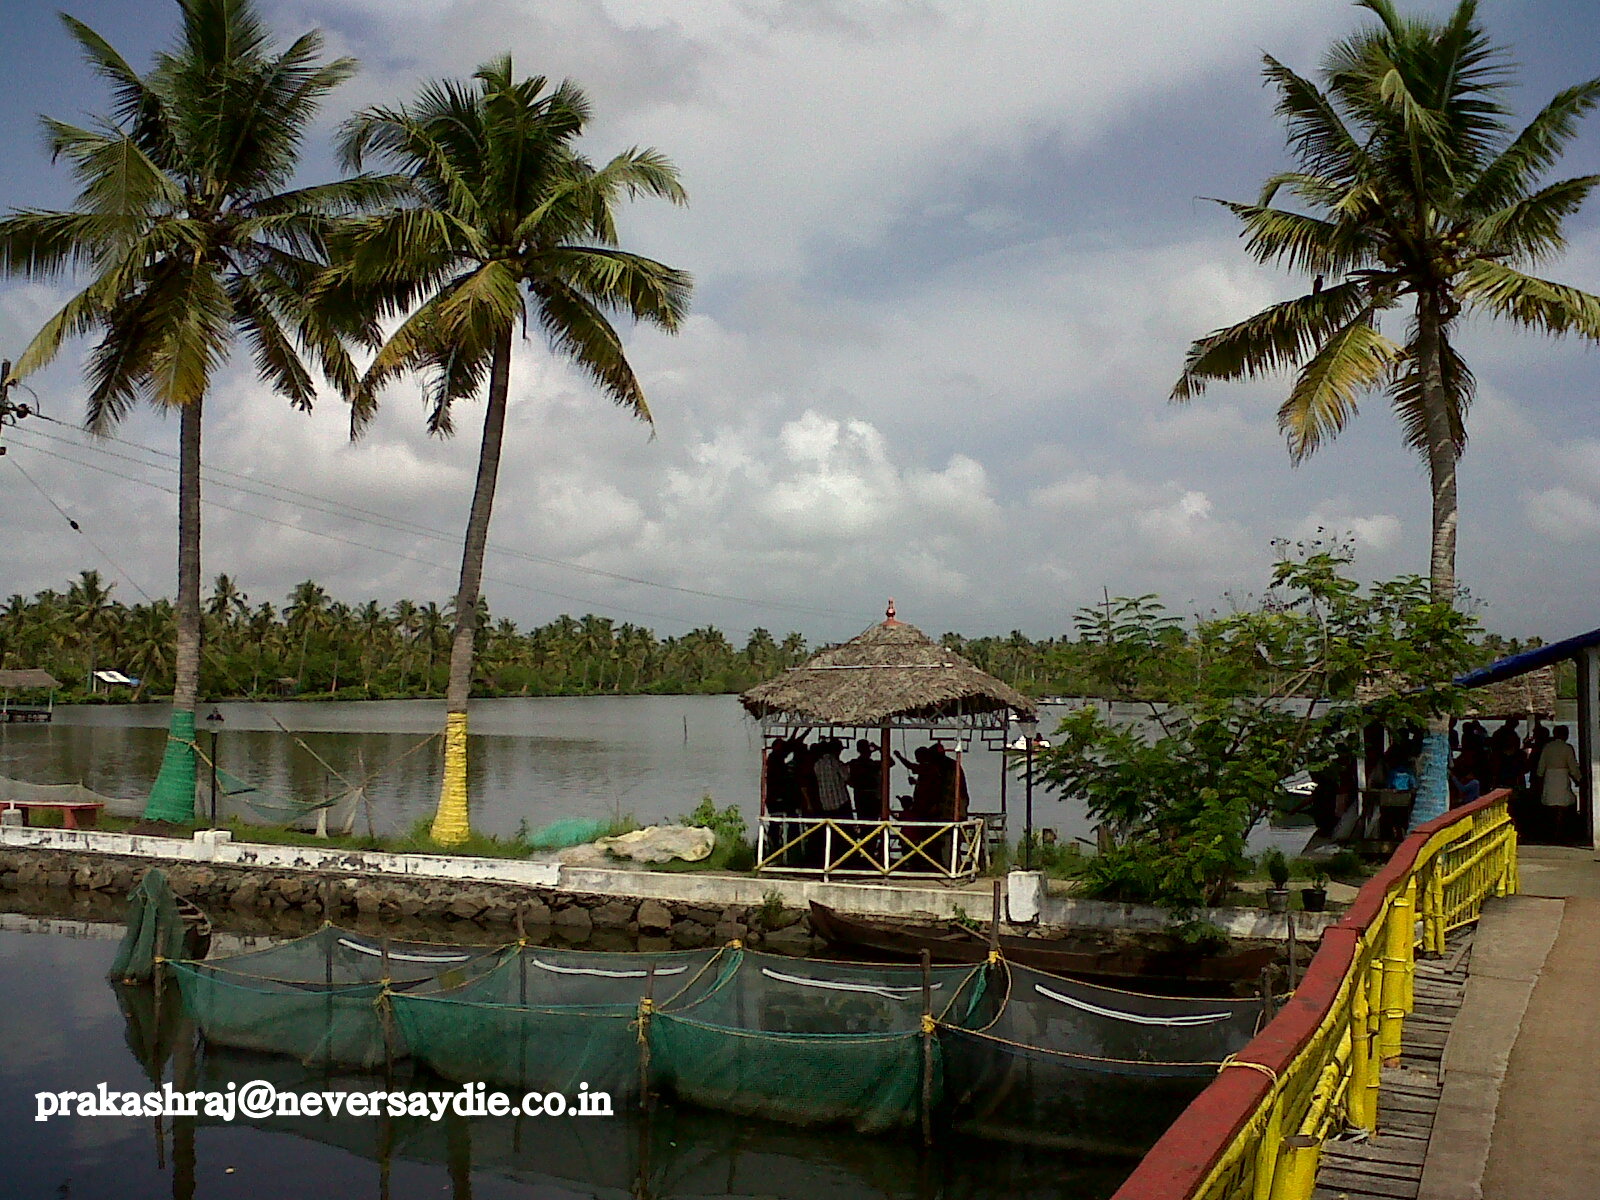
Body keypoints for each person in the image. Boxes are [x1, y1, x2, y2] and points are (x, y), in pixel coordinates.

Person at [1535, 726, 1583, 841]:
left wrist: (1540, 777)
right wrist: (1579, 779)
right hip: (1562, 777)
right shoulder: (1567, 748)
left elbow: (1541, 766)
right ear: (1565, 735)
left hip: (1549, 777)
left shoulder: (1547, 747)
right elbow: (1573, 767)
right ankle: (1561, 832)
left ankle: (1550, 832)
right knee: (1564, 804)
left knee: (1550, 804)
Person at [813, 738, 850, 816]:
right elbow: (846, 777)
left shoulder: (817, 764)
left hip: (825, 803)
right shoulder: (836, 763)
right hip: (840, 802)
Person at [845, 739, 881, 820]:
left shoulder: (854, 763)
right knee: (873, 821)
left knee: (862, 819)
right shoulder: (873, 764)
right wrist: (879, 749)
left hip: (859, 794)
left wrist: (853, 784)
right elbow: (891, 762)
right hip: (872, 795)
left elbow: (847, 778)